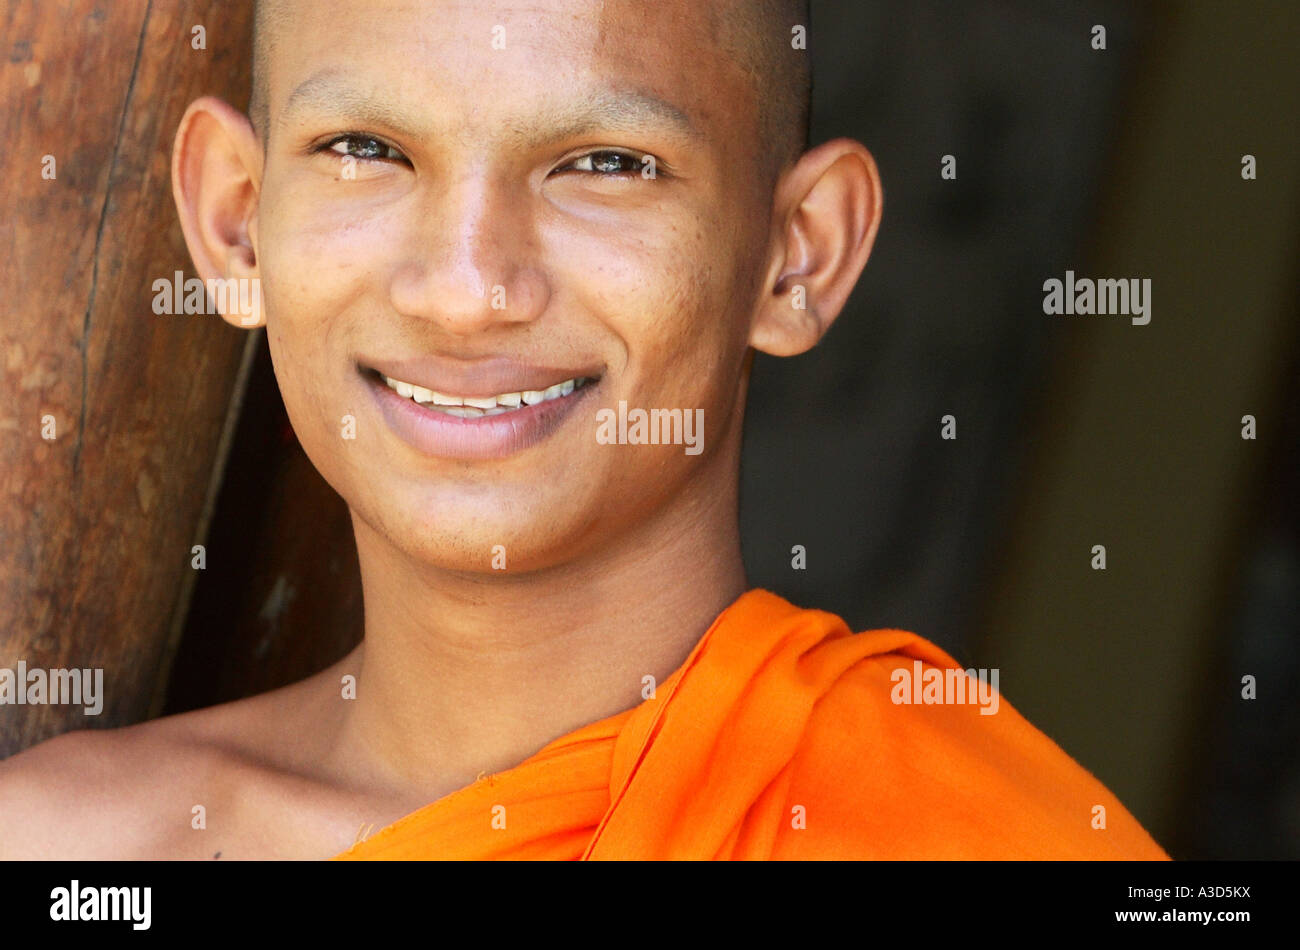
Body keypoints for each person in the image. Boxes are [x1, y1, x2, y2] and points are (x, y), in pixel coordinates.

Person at [0, 0, 1167, 860]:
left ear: (797, 253)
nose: (464, 288)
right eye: (366, 150)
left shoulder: (954, 832)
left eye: (604, 165)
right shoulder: (70, 848)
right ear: (237, 221)